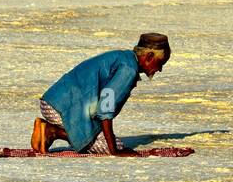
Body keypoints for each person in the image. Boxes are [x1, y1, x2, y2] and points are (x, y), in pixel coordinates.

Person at [31, 33, 171, 155]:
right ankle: (52, 131)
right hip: (59, 109)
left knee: (107, 141)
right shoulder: (128, 70)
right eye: (160, 64)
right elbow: (105, 109)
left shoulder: (125, 58)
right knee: (111, 147)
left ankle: (50, 130)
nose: (159, 70)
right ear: (149, 56)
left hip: (52, 102)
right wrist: (114, 151)